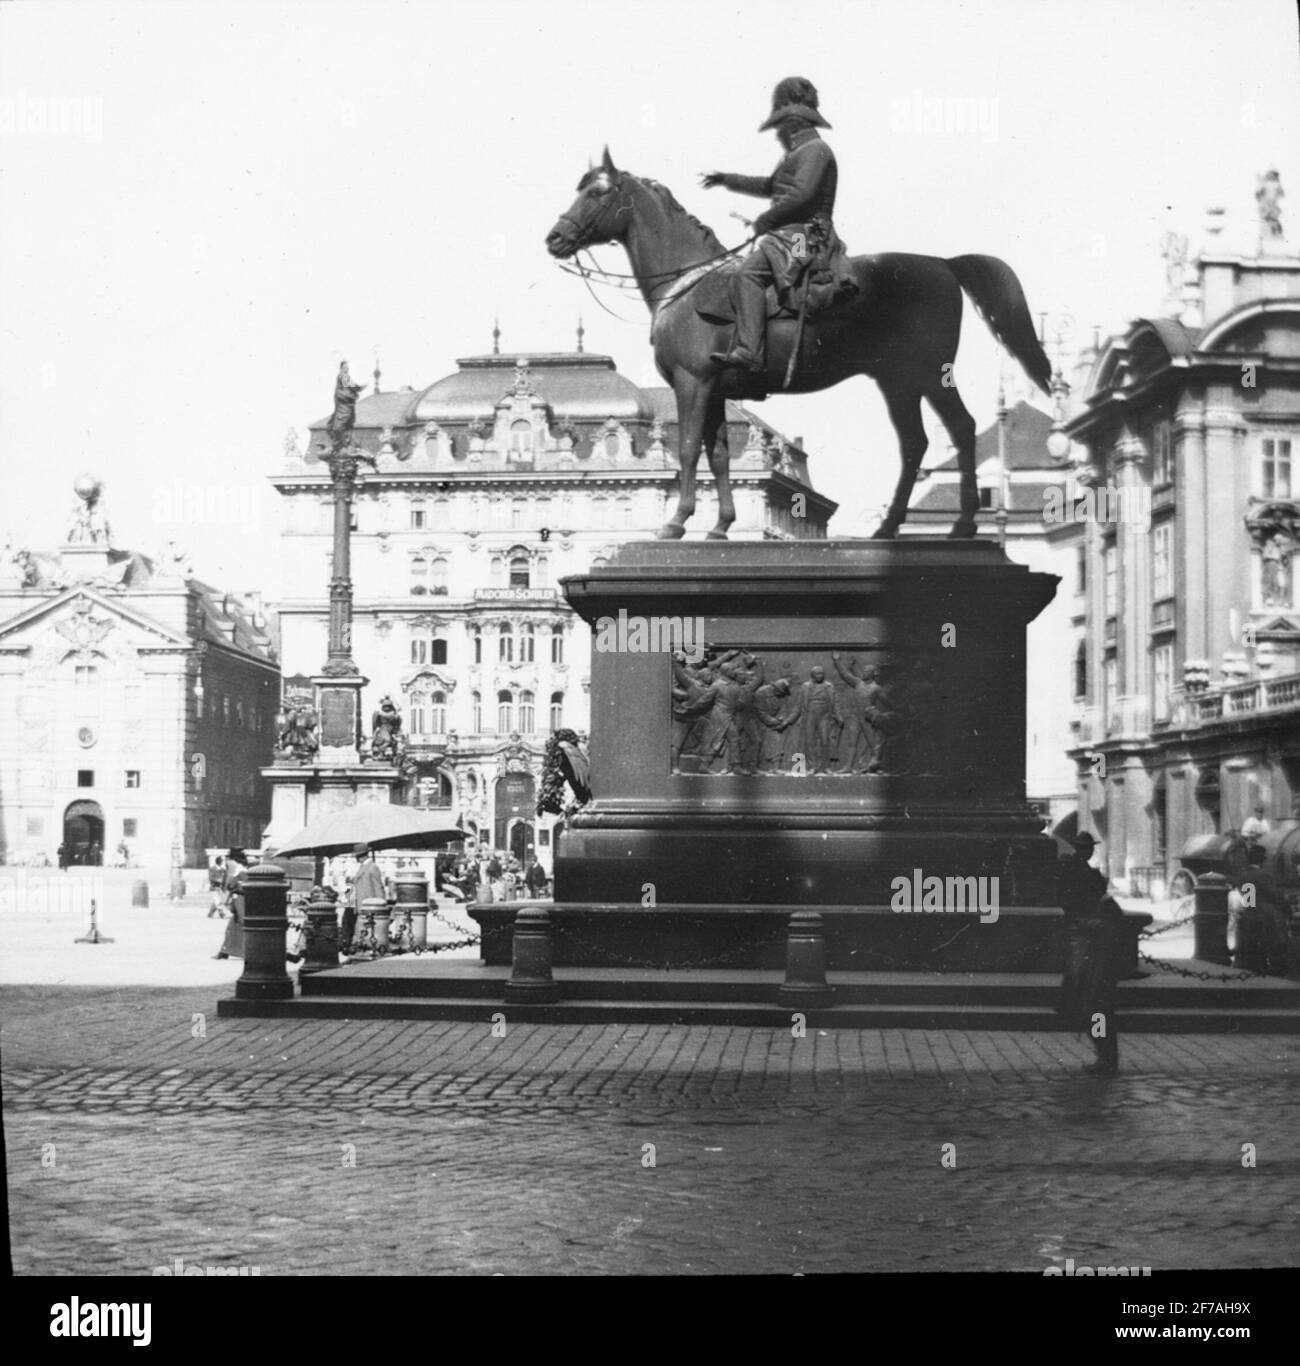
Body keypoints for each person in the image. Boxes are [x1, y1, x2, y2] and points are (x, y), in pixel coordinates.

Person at [701, 76, 855, 375]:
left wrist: (765, 220)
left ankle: (749, 351)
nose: (777, 135)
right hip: (792, 233)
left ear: (792, 124)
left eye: (779, 128)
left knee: (747, 274)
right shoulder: (799, 153)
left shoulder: (814, 151)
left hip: (805, 237)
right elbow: (770, 186)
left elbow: (802, 196)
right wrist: (726, 179)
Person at [1056, 831, 1122, 1075]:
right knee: (1092, 1008)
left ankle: (1106, 1057)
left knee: (1095, 1008)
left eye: (1089, 847)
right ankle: (1106, 1056)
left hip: (1095, 963)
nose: (1087, 851)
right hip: (1090, 959)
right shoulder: (1084, 877)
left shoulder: (1102, 904)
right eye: (1084, 847)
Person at [1235, 843, 1289, 975]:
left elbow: (1246, 896)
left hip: (1249, 912)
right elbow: (1274, 895)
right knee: (1275, 938)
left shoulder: (1242, 876)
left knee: (1253, 945)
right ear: (1262, 860)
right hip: (1264, 915)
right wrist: (1286, 904)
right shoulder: (1263, 875)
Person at [343, 842, 387, 954]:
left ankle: (358, 951)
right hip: (360, 905)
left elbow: (379, 887)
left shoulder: (372, 867)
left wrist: (382, 905)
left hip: (369, 905)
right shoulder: (363, 867)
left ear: (360, 856)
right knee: (357, 928)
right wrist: (352, 881)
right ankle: (356, 950)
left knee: (361, 930)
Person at [214, 848, 248, 960]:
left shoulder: (241, 870)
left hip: (240, 899)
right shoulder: (238, 869)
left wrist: (234, 885)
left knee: (240, 923)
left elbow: (238, 885)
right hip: (237, 899)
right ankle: (225, 951)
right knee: (233, 925)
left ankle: (230, 951)